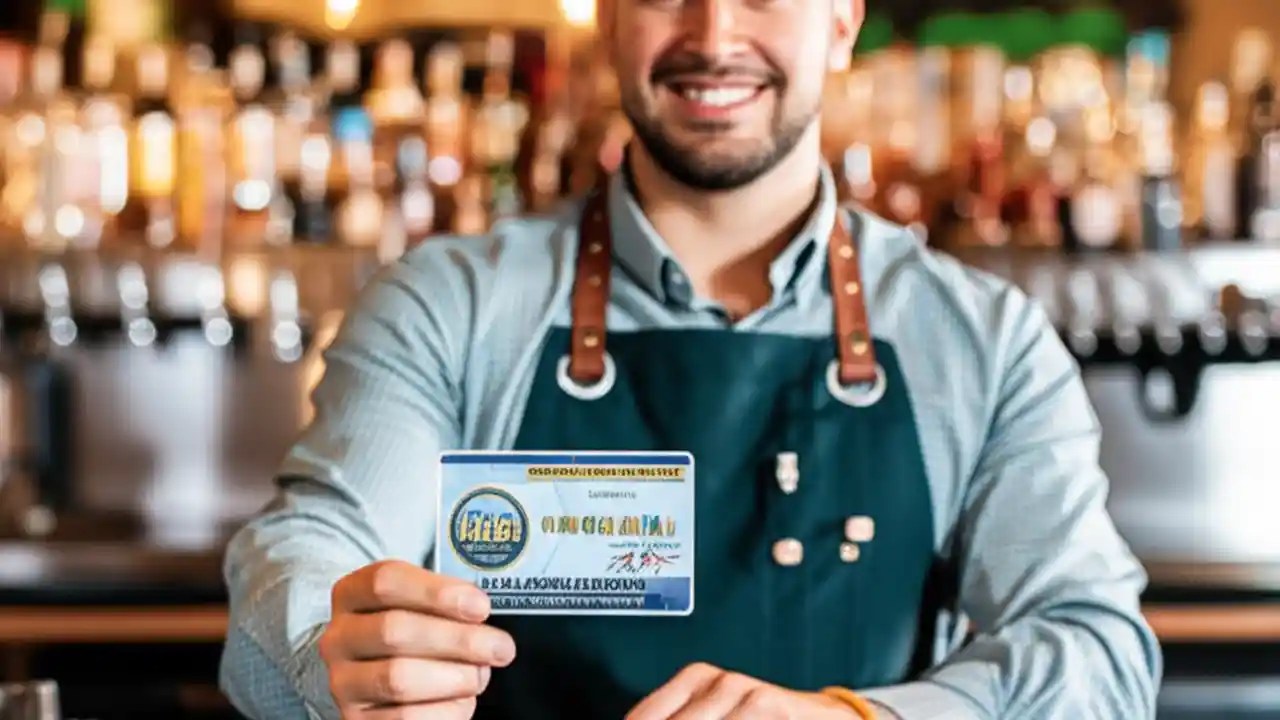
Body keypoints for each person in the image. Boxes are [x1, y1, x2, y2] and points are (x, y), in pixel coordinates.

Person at [219, 0, 1163, 716]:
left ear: (842, 21)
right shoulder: (448, 307)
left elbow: (1098, 652)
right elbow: (312, 543)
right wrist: (324, 648)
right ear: (609, 18)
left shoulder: (984, 343)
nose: (713, 35)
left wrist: (859, 717)